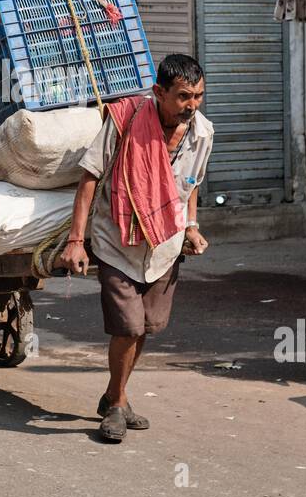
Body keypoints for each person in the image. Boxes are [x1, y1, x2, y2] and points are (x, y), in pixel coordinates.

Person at [57, 54, 214, 444]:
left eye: (197, 96)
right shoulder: (125, 119)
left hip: (165, 245)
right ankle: (116, 405)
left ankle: (116, 395)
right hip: (118, 243)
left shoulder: (203, 132)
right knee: (127, 327)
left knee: (146, 326)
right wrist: (77, 241)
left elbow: (191, 184)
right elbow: (90, 178)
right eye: (182, 97)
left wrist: (192, 227)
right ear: (158, 92)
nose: (191, 105)